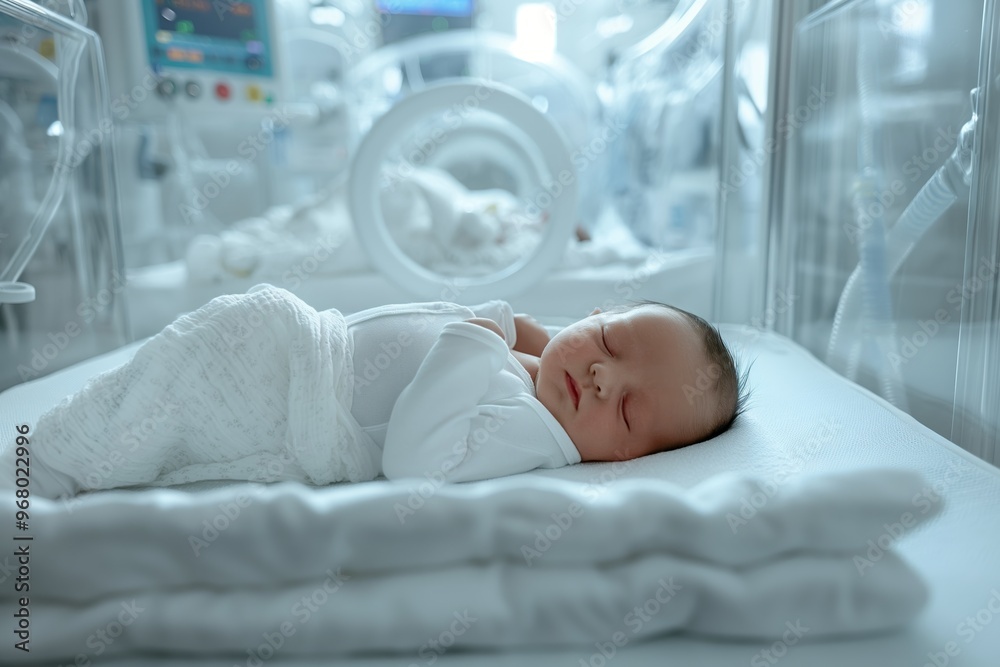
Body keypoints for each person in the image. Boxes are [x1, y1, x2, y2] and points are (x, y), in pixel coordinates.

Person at [1, 291, 748, 497]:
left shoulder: (538, 437)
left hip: (298, 402)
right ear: (593, 314)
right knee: (163, 378)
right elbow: (546, 353)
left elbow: (417, 460)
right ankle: (56, 452)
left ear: (624, 458)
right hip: (299, 351)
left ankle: (49, 467)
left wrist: (480, 333)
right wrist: (530, 338)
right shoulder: (546, 380)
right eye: (610, 340)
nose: (601, 375)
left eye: (626, 408)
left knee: (167, 394)